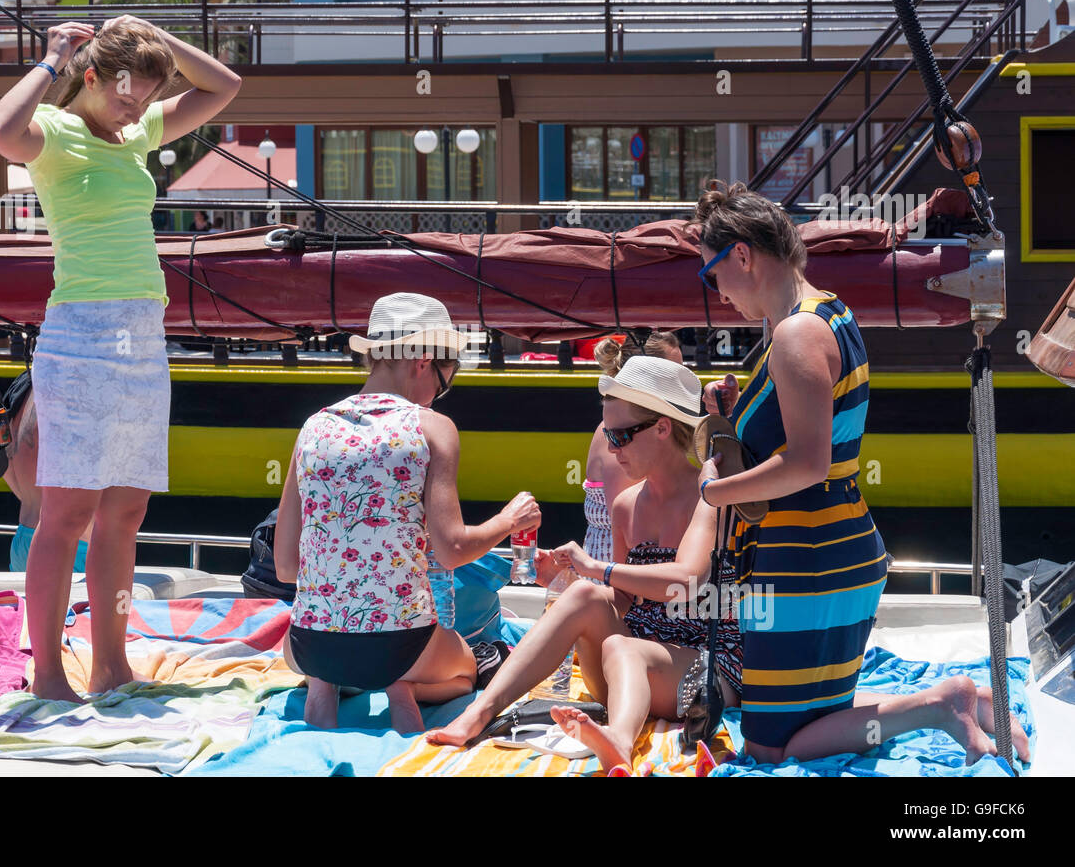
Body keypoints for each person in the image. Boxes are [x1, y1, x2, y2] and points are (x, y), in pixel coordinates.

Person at [690, 181, 1028, 765]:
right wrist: (737, 413)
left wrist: (714, 488)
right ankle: (953, 702)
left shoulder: (795, 333)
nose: (717, 293)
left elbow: (806, 462)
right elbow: (810, 438)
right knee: (813, 717)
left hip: (807, 561)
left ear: (742, 255)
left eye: (711, 273)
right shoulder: (827, 312)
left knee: (770, 748)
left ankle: (939, 704)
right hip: (832, 550)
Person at [0, 14, 242, 701]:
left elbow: (224, 86)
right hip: (82, 335)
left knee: (125, 512)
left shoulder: (137, 134)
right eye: (127, 95)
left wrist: (157, 33)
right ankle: (46, 672)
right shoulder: (55, 130)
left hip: (142, 335)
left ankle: (109, 660)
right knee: (64, 514)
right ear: (91, 77)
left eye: (145, 98)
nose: (136, 110)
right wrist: (50, 60)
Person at [428, 355, 741, 770]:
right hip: (628, 663)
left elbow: (685, 580)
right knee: (587, 597)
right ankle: (480, 713)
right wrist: (566, 578)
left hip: (705, 665)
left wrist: (596, 567)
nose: (611, 448)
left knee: (620, 640)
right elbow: (623, 600)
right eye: (608, 435)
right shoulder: (627, 505)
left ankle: (619, 740)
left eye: (622, 436)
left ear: (663, 428)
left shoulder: (711, 491)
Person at [274, 293, 541, 734]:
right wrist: (509, 520)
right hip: (400, 646)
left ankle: (324, 692)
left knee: (333, 656)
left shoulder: (313, 426)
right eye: (447, 374)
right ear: (422, 359)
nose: (443, 389)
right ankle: (403, 690)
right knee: (467, 671)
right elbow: (453, 549)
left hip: (308, 647)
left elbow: (286, 566)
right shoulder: (430, 427)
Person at [581, 331, 684, 563]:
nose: (681, 383)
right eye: (673, 374)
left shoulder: (643, 428)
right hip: (622, 572)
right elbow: (634, 528)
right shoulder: (622, 433)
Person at [0, 371, 92, 573]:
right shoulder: (86, 386)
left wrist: (30, 498)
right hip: (73, 545)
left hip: (25, 536)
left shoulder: (24, 385)